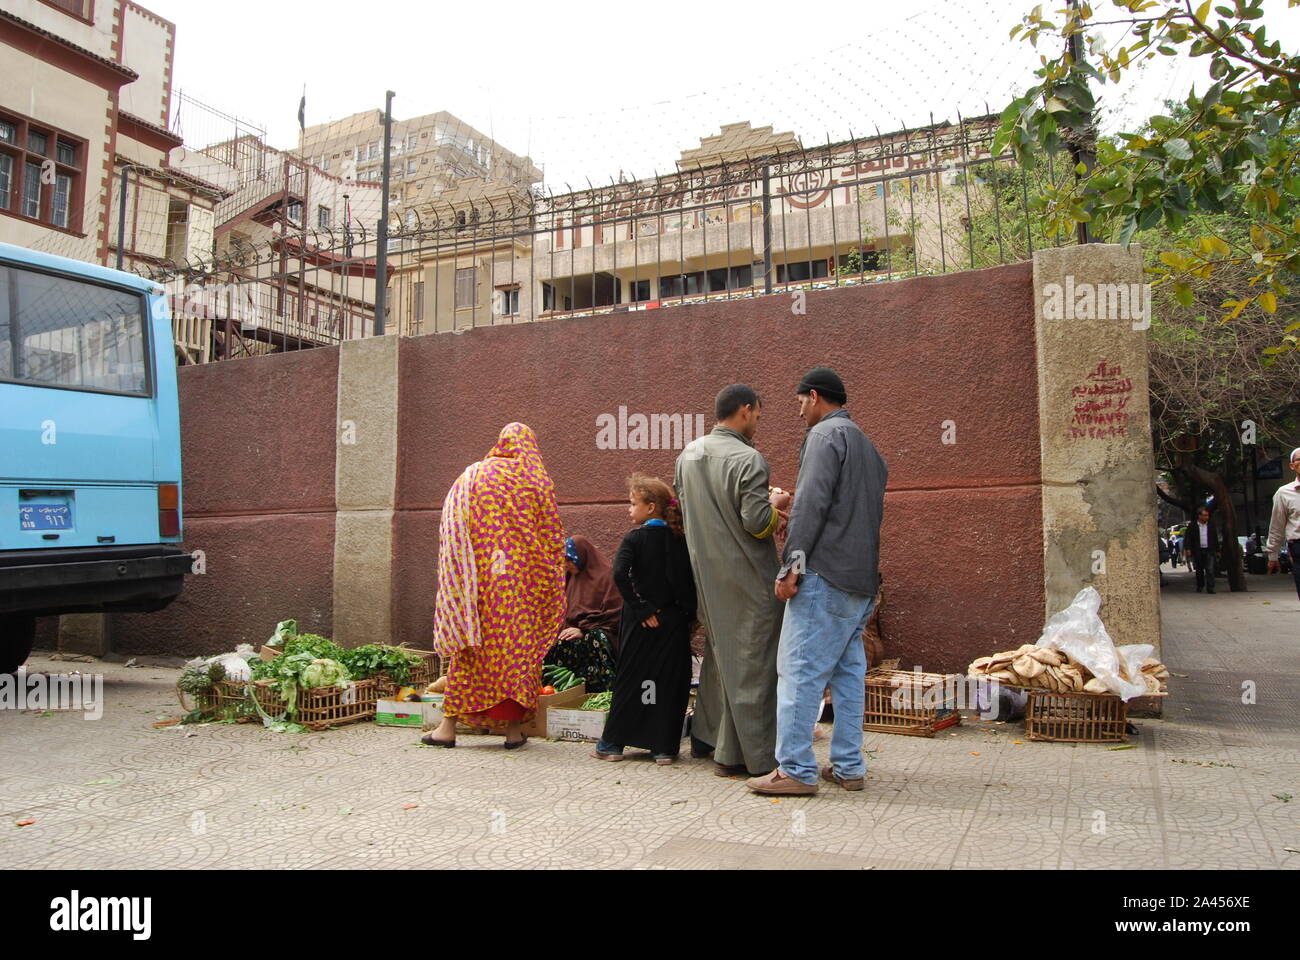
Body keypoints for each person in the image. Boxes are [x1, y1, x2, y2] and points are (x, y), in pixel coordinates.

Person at [747, 367, 888, 797]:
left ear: (814, 397)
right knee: (847, 677)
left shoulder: (824, 438)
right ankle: (848, 766)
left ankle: (795, 770)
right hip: (861, 582)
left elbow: (811, 506)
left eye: (799, 403)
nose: (799, 412)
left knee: (798, 672)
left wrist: (790, 566)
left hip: (825, 577)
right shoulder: (868, 447)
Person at [423, 423, 566, 749]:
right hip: (521, 589)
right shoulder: (538, 481)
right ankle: (513, 733)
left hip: (481, 588)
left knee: (471, 653)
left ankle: (447, 729)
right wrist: (551, 576)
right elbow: (553, 538)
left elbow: (456, 524)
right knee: (519, 657)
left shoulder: (476, 476)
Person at [674, 384, 789, 778]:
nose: (758, 420)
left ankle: (710, 739)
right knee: (755, 665)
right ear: (744, 410)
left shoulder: (688, 455)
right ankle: (748, 757)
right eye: (758, 413)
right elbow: (756, 523)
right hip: (750, 580)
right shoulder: (750, 459)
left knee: (721, 660)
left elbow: (686, 511)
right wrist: (776, 507)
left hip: (706, 578)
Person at [591, 475, 697, 765]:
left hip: (640, 625)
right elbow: (689, 582)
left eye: (633, 503)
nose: (629, 509)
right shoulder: (680, 539)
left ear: (651, 508)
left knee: (633, 681)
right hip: (672, 624)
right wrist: (685, 617)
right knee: (668, 683)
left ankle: (613, 745)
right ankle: (663, 748)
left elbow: (619, 575)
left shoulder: (634, 539)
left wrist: (642, 609)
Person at [546, 536, 622, 692]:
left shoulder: (606, 576)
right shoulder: (570, 578)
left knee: (596, 638)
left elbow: (615, 614)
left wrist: (583, 630)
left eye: (570, 559)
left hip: (603, 633)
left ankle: (605, 692)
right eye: (564, 560)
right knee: (554, 644)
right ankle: (565, 693)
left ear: (582, 555)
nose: (566, 565)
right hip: (575, 633)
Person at [1265, 446, 1300, 601]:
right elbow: (1277, 526)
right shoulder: (1284, 493)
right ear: (1292, 466)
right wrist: (1273, 554)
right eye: (1299, 459)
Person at [1185, 506, 1220, 594]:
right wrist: (1188, 549)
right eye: (1204, 515)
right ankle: (1200, 585)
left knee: (1210, 569)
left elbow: (1215, 538)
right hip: (1198, 550)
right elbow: (1188, 538)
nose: (1206, 517)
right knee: (1199, 569)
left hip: (1209, 550)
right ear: (1199, 516)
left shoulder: (1211, 525)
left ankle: (1210, 587)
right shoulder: (1192, 525)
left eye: (1207, 516)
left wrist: (1217, 550)